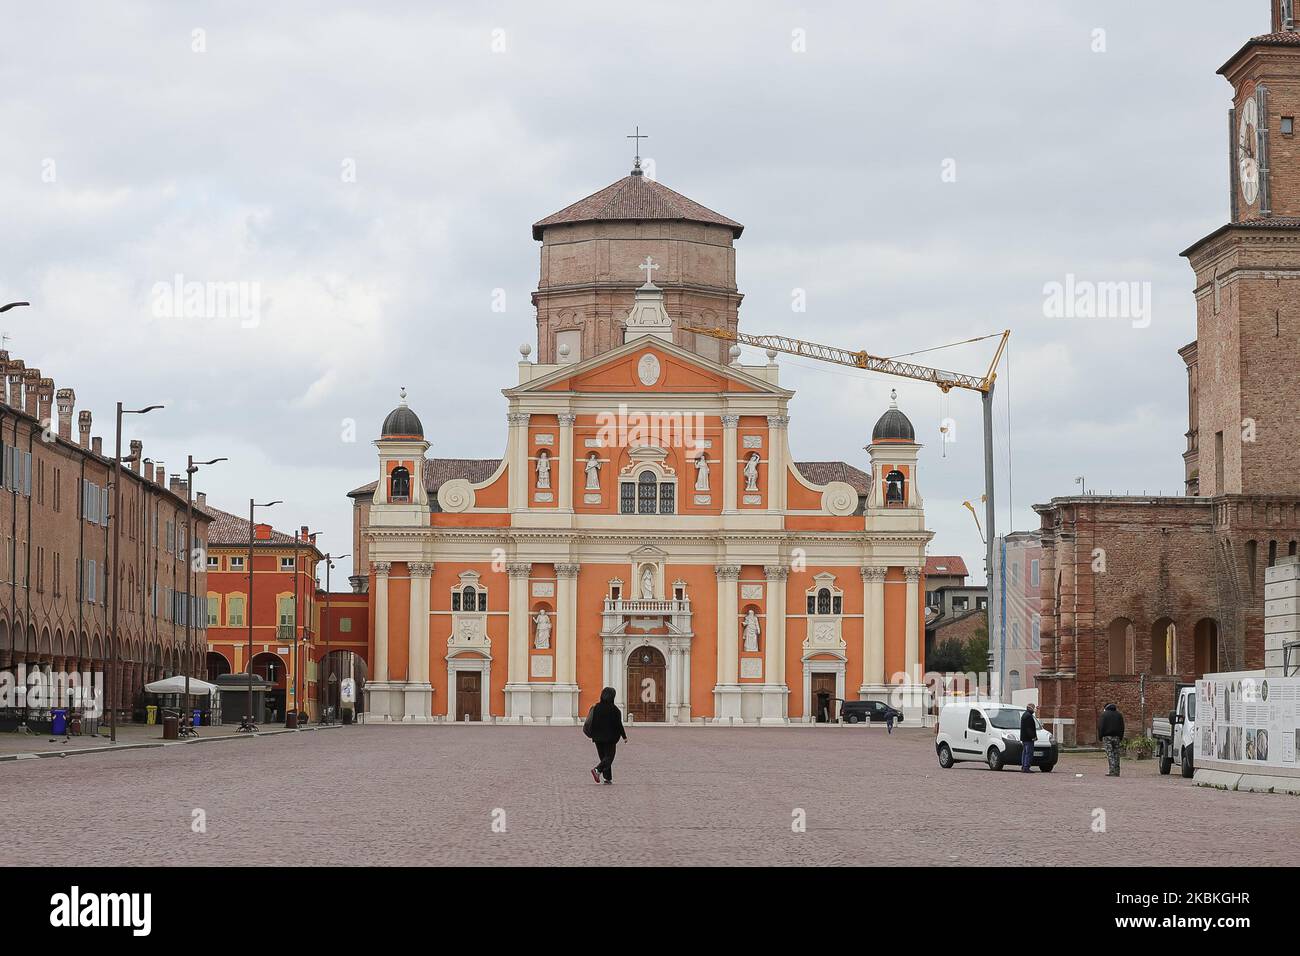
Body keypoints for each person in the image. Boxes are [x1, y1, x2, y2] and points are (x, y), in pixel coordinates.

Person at [588, 687, 628, 785]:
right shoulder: (615, 710)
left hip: (597, 737)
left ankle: (608, 778)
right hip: (610, 738)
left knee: (604, 758)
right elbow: (619, 725)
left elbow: (592, 721)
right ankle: (597, 770)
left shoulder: (596, 707)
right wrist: (624, 736)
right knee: (609, 757)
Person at [1098, 702, 1125, 777]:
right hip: (1117, 737)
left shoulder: (1104, 715)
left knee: (1110, 754)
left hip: (1107, 737)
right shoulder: (1119, 715)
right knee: (1116, 754)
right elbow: (1122, 727)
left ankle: (1112, 771)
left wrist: (1100, 736)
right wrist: (1121, 737)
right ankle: (1117, 771)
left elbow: (1101, 726)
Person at [1019, 702, 1038, 773]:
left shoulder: (1025, 715)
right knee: (1028, 752)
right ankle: (1026, 766)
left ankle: (1024, 766)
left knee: (1025, 752)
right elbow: (1029, 728)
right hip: (1028, 738)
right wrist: (1033, 736)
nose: (1034, 709)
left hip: (1024, 737)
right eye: (1033, 707)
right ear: (1030, 708)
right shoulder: (1029, 716)